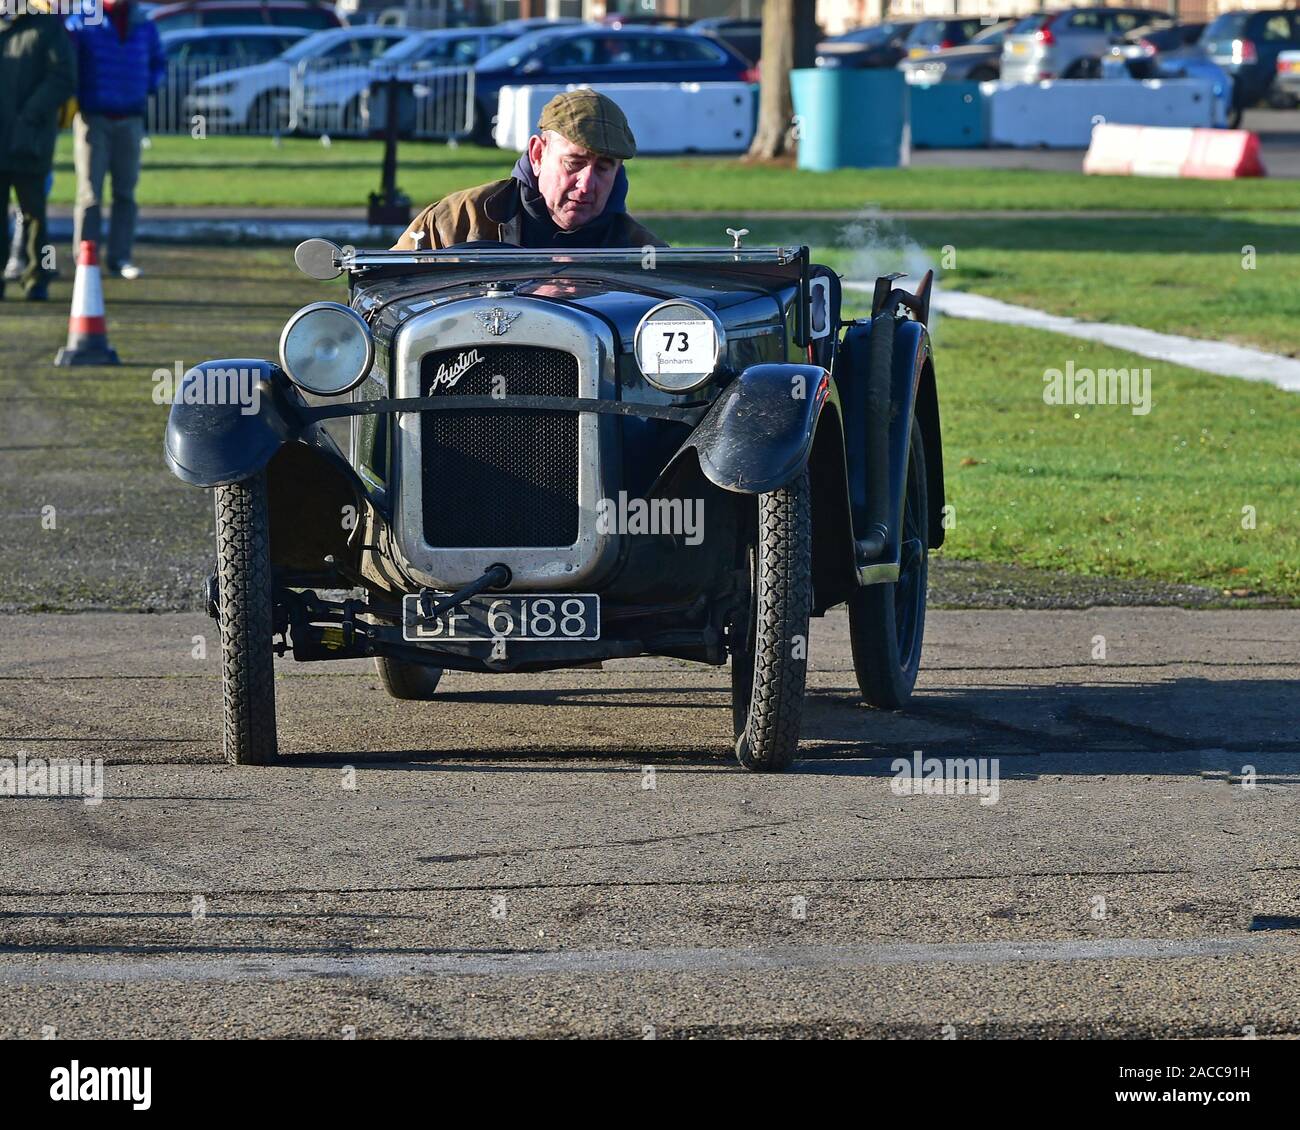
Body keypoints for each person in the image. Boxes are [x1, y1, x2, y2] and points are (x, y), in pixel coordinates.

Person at [393, 90, 665, 252]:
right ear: (537, 154)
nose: (586, 185)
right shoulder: (451, 222)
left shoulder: (643, 255)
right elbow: (387, 296)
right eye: (574, 163)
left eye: (604, 168)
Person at [66, 0, 165, 280]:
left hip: (130, 118)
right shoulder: (83, 20)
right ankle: (86, 259)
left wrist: (147, 86)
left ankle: (120, 257)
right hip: (93, 118)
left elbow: (158, 61)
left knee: (126, 193)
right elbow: (68, 61)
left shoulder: (143, 22)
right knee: (90, 193)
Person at [0, 0, 76, 301]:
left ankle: (37, 277)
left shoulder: (46, 27)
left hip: (30, 139)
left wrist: (31, 113)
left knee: (35, 214)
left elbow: (63, 77)